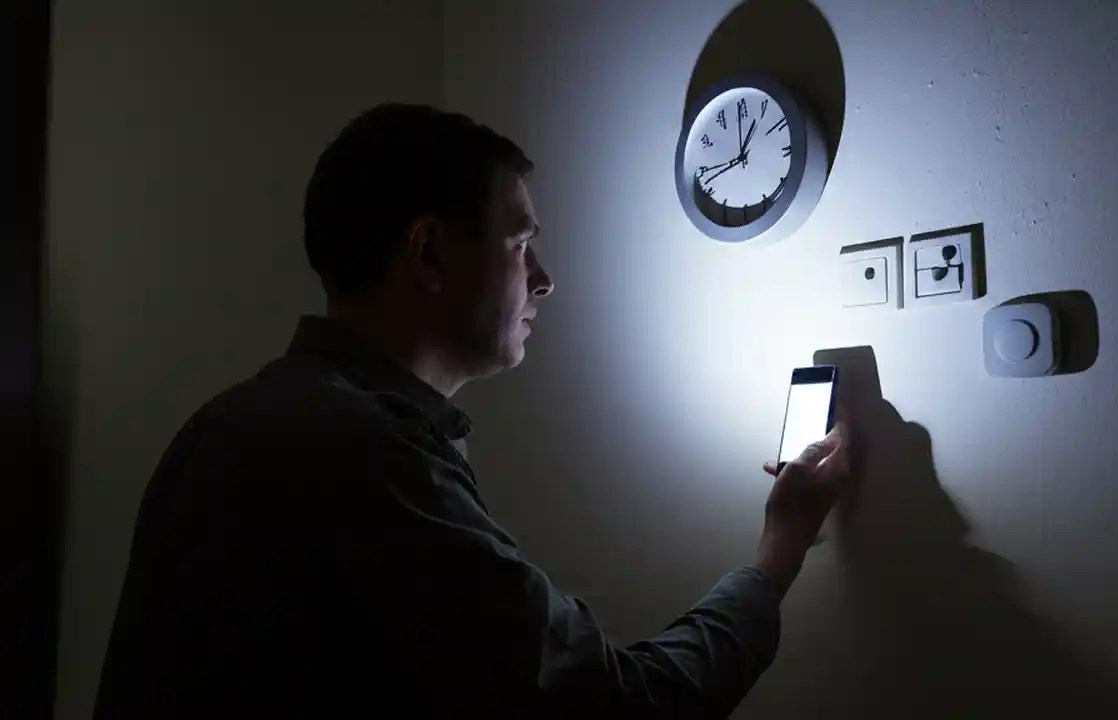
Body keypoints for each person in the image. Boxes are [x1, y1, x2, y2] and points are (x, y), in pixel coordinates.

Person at [94, 103, 857, 719]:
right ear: (428, 253)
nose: (545, 279)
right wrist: (779, 549)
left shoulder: (229, 422)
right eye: (520, 243)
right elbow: (619, 707)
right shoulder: (369, 461)